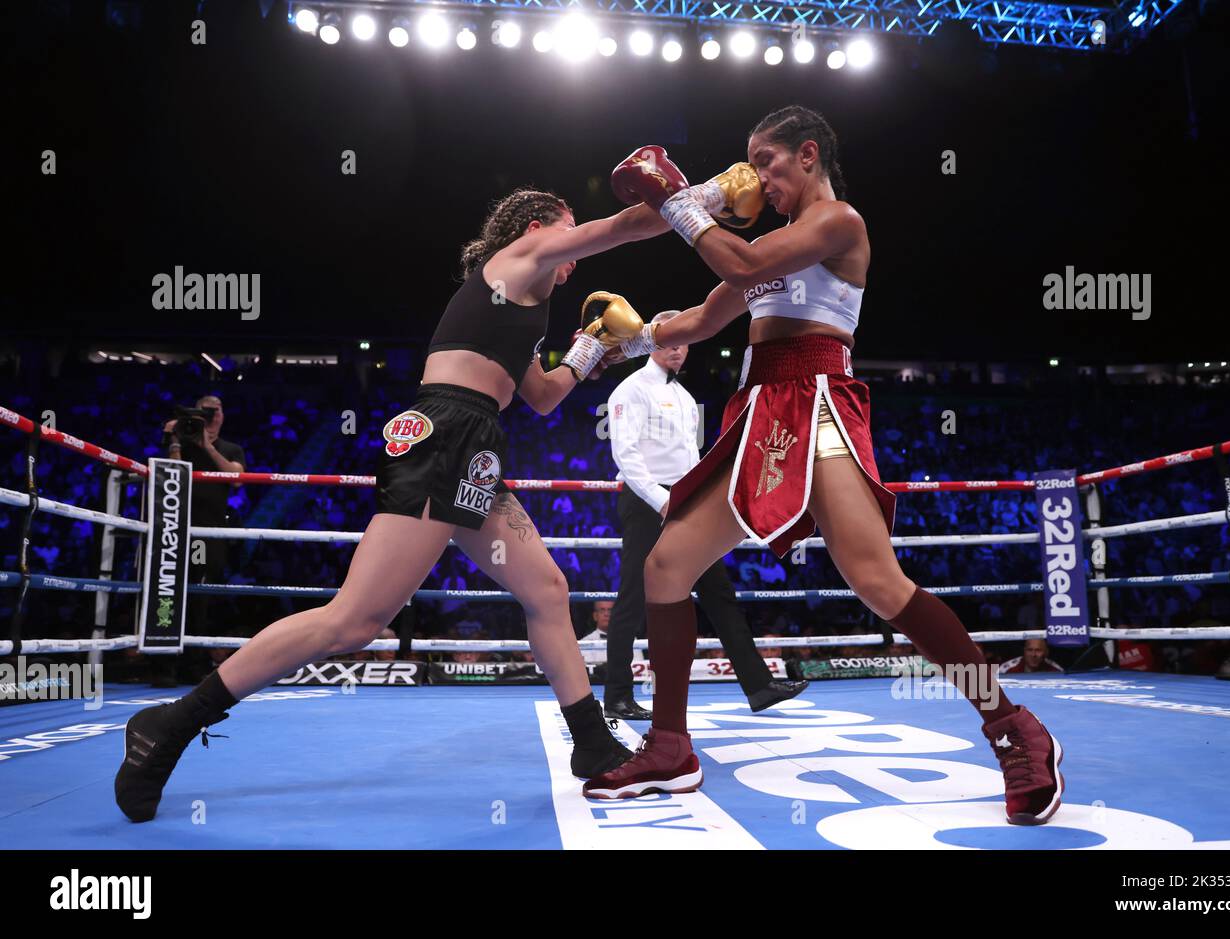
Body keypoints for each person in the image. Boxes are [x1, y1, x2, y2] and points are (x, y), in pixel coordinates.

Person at [115, 188, 671, 822]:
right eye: (569, 235)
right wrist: (693, 201)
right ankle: (171, 723)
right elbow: (620, 226)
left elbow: (541, 396)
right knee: (352, 622)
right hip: (444, 436)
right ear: (540, 228)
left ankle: (593, 745)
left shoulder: (522, 310)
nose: (575, 259)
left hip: (477, 443)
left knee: (546, 589)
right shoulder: (522, 257)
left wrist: (590, 345)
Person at [584, 107, 1064, 827]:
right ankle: (670, 744)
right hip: (759, 410)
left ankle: (1011, 726)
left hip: (819, 401)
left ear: (808, 155)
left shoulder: (841, 224)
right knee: (665, 566)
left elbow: (737, 263)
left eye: (767, 161)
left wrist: (677, 200)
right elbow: (702, 319)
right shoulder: (770, 245)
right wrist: (621, 342)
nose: (756, 179)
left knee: (877, 580)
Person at [603, 310, 806, 720]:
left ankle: (759, 686)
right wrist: (661, 500)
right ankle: (618, 696)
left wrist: (700, 499)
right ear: (654, 340)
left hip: (684, 501)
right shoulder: (631, 389)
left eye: (685, 340)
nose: (679, 347)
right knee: (633, 597)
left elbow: (692, 459)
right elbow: (626, 456)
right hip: (648, 502)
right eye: (671, 339)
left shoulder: (683, 397)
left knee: (718, 592)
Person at [160, 395, 246, 686]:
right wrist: (174, 438)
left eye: (215, 411)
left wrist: (207, 445)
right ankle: (166, 664)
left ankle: (195, 664)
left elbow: (236, 478)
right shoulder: (179, 443)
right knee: (170, 594)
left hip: (209, 533)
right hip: (173, 527)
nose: (209, 416)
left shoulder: (230, 448)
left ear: (222, 415)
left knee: (202, 597)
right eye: (204, 412)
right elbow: (170, 473)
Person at [998, 639, 1065, 674]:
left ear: (1046, 652)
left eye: (1038, 650)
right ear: (1024, 651)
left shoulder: (1056, 671)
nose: (1033, 655)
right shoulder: (1006, 670)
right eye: (1029, 650)